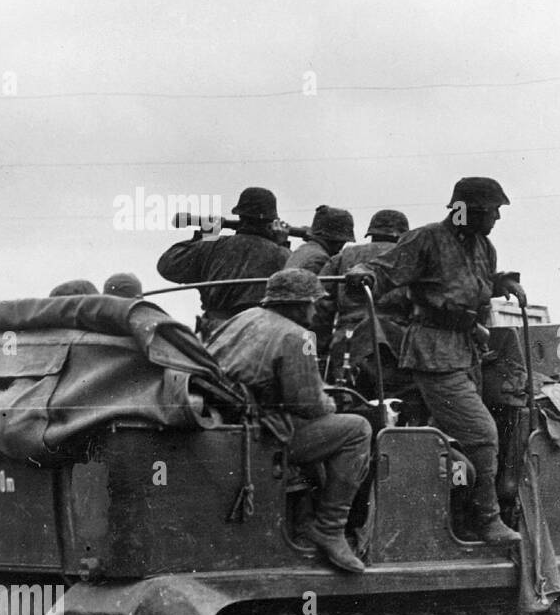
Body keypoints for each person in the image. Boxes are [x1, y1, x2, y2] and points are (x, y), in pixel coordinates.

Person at [348, 177, 525, 545]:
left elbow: (470, 284)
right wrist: (364, 275)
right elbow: (384, 270)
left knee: (475, 431)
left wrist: (499, 284)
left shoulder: (484, 247)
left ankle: (455, 518)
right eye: (493, 210)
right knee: (482, 434)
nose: (497, 218)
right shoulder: (425, 239)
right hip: (433, 353)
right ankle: (486, 520)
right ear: (469, 210)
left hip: (465, 350)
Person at [206, 268, 371, 573]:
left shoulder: (241, 319)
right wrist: (331, 401)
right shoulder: (298, 336)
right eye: (313, 303)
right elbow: (309, 406)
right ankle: (330, 527)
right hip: (265, 433)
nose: (315, 309)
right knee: (357, 429)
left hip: (233, 423)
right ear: (298, 304)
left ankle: (305, 519)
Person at [156, 186, 288, 338]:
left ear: (240, 216)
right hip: (259, 333)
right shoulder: (280, 254)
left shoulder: (211, 246)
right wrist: (281, 244)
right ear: (271, 221)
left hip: (214, 332)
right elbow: (292, 279)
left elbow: (168, 266)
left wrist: (203, 238)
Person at [318, 209, 416, 407]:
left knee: (348, 402)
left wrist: (318, 350)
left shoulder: (344, 256)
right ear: (403, 235)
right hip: (398, 344)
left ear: (371, 232)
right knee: (400, 406)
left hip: (348, 343)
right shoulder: (409, 257)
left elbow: (321, 305)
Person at [285, 205, 354, 275]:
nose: (342, 246)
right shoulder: (320, 259)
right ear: (337, 241)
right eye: (343, 241)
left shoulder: (301, 250)